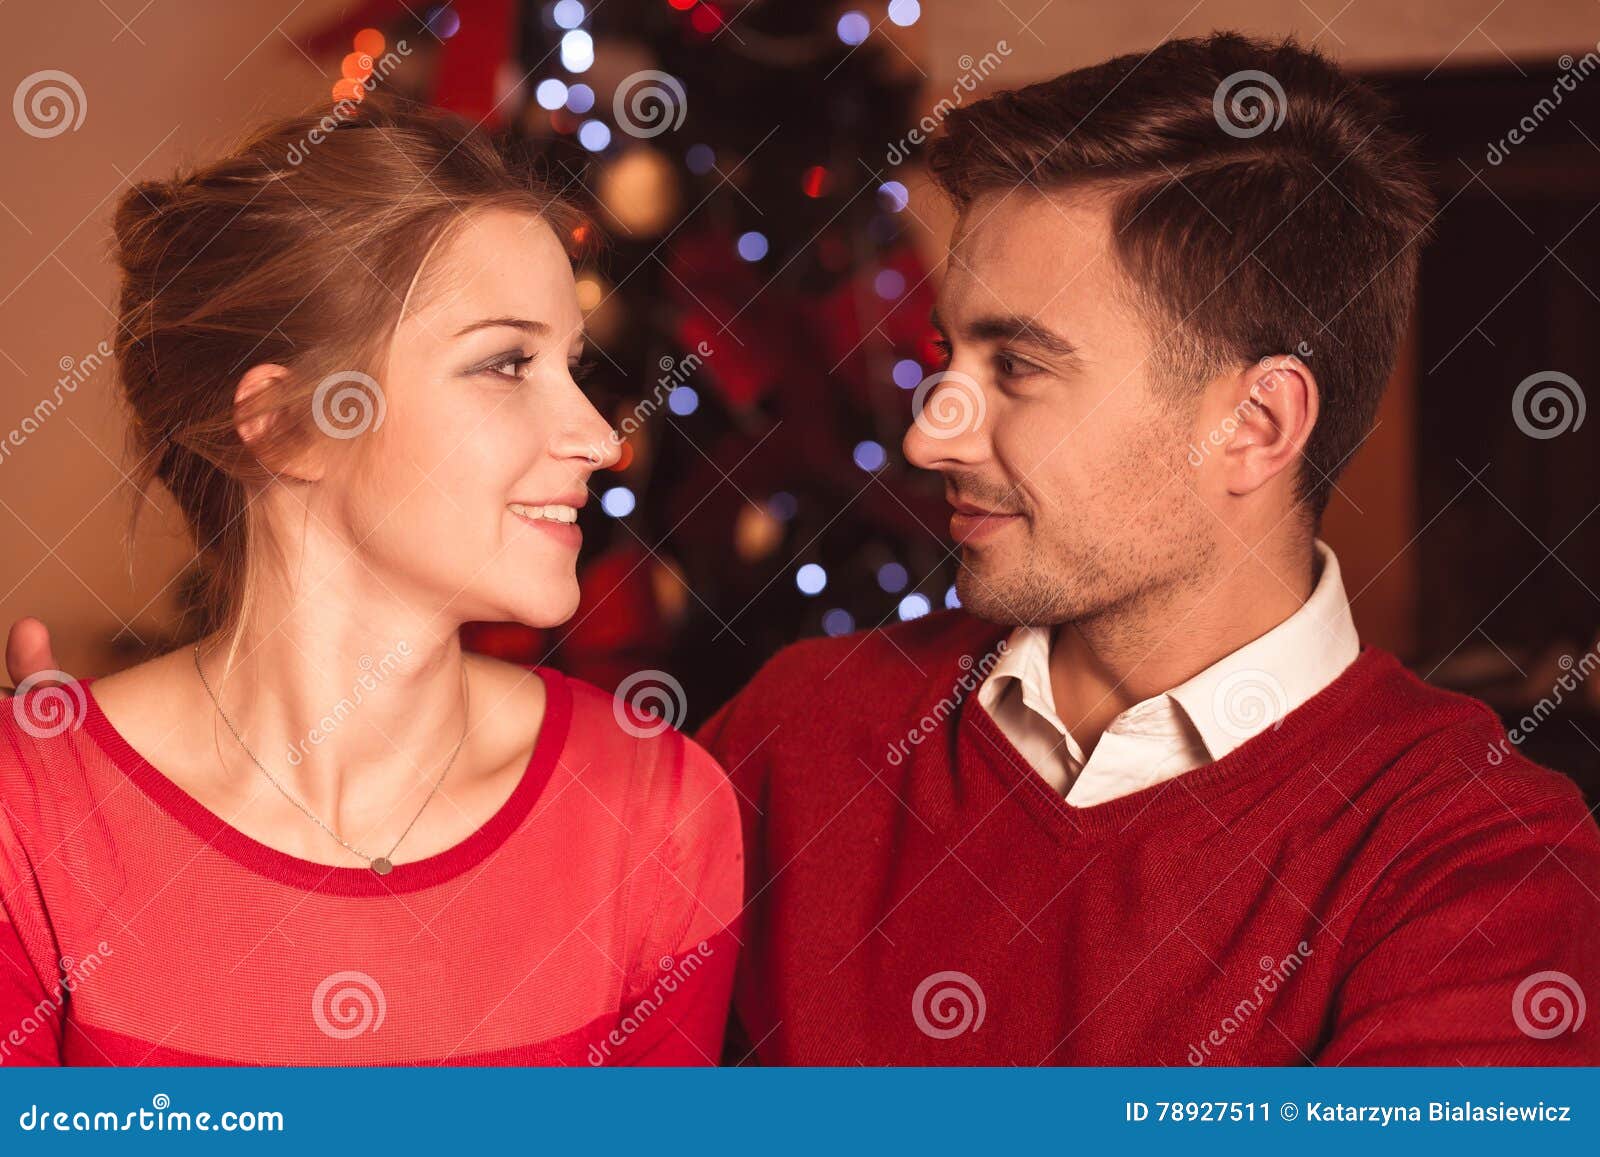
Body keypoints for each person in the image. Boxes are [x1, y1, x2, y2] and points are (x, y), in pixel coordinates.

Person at [694, 33, 1600, 1064]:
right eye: (951, 353)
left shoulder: (1481, 864)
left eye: (1020, 365)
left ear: (1254, 425)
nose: (926, 433)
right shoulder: (799, 726)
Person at [0, 98, 741, 1066]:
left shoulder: (652, 804)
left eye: (570, 363)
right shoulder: (31, 817)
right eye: (506, 363)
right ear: (283, 423)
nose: (600, 438)